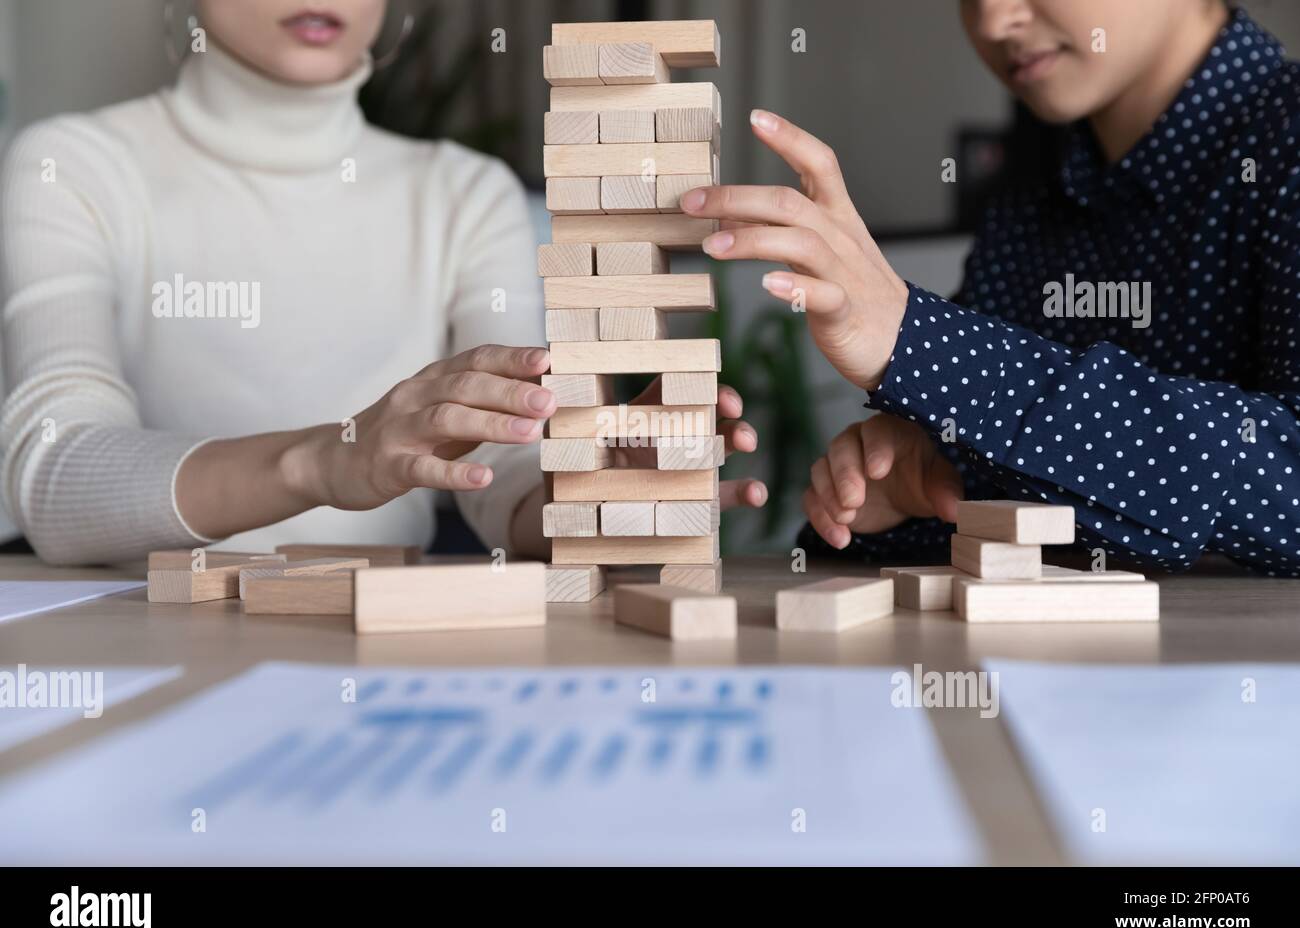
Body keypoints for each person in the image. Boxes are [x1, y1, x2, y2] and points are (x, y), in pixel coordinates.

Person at [0, 0, 766, 566]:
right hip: (133, 652)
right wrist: (322, 463)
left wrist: (599, 491)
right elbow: (55, 475)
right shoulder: (73, 166)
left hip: (376, 662)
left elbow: (498, 472)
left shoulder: (465, 192)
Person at [682, 0, 1300, 575]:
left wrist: (919, 343)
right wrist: (908, 501)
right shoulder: (1033, 196)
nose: (995, 20)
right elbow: (1023, 521)